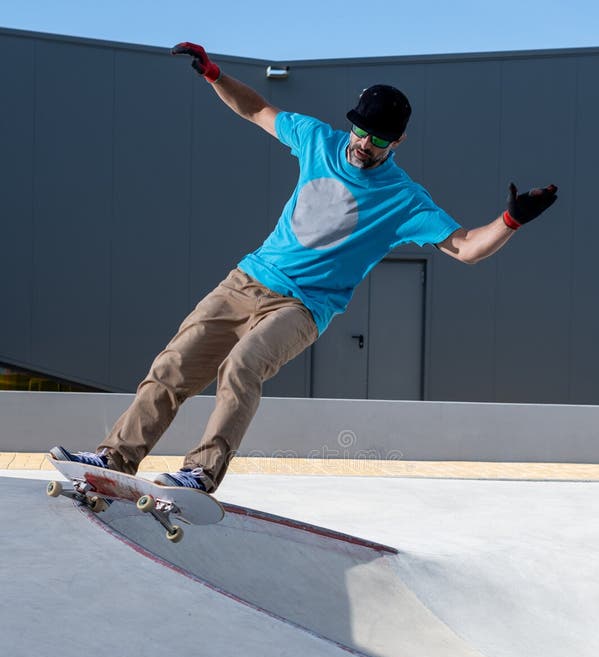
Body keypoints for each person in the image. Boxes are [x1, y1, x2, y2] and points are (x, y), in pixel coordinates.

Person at [51, 42, 558, 493]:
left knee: (242, 365)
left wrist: (511, 219)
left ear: (397, 142)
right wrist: (214, 74)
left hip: (303, 307)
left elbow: (467, 247)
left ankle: (200, 473)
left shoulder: (405, 200)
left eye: (378, 140)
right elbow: (257, 109)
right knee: (172, 367)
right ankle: (112, 460)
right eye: (360, 131)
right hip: (246, 280)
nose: (364, 144)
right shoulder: (317, 139)